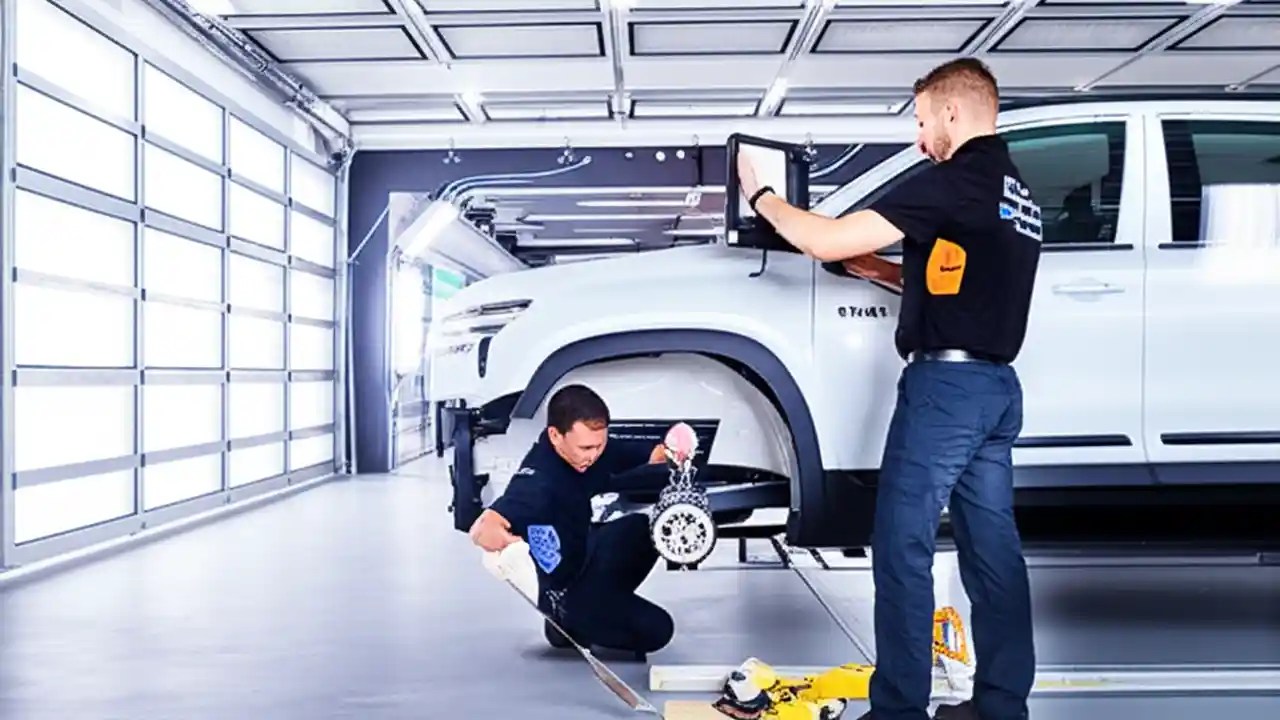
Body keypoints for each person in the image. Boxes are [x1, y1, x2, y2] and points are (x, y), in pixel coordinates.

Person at [737, 57, 1040, 720]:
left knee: (901, 546)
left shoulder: (954, 181)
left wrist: (761, 195)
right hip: (995, 390)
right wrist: (877, 268)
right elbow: (964, 282)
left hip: (946, 393)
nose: (919, 136)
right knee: (994, 552)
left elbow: (821, 239)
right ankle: (1001, 707)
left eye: (924, 120)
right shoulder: (1015, 192)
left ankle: (899, 710)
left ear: (953, 113)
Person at [469, 383, 678, 658]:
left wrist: (676, 449)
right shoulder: (538, 483)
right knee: (659, 629)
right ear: (555, 435)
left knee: (641, 530)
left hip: (581, 558)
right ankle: (574, 624)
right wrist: (512, 549)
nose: (593, 455)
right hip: (566, 598)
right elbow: (481, 529)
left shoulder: (588, 452)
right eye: (586, 447)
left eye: (599, 445)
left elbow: (643, 454)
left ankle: (602, 608)